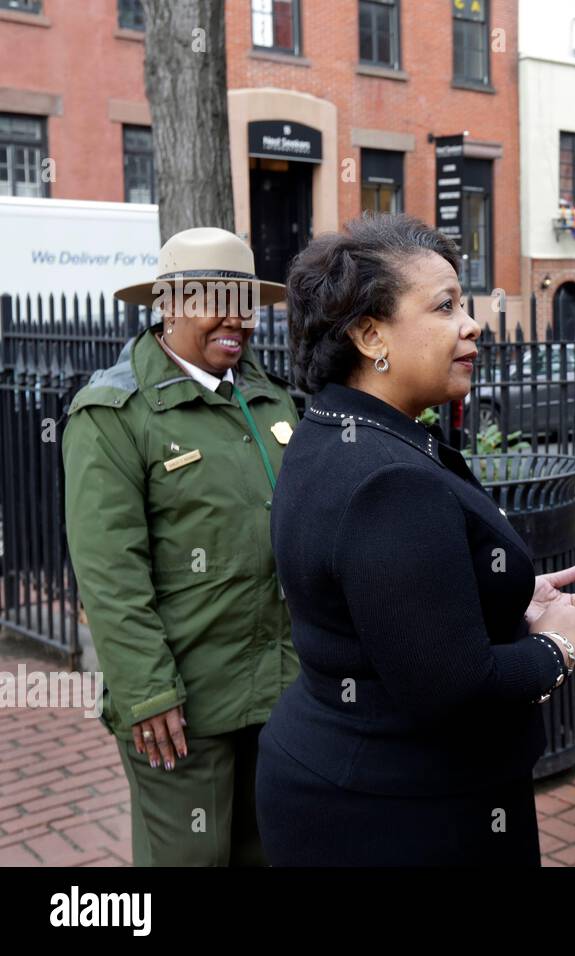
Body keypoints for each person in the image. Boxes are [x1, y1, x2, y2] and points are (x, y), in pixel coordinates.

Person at [255, 214, 575, 866]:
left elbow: (374, 603)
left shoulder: (330, 433)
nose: (472, 324)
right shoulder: (389, 479)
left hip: (343, 782)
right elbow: (454, 691)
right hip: (402, 813)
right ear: (369, 335)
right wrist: (559, 647)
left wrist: (495, 595)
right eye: (445, 306)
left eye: (465, 305)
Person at [63, 227, 301, 866]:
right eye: (212, 299)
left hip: (278, 693)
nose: (235, 319)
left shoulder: (271, 398)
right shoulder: (115, 414)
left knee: (267, 853)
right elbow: (110, 574)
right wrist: (148, 693)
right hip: (183, 708)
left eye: (244, 301)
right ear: (168, 306)